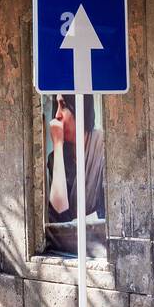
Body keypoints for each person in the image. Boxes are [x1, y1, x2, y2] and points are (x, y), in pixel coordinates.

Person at [47, 94, 106, 225]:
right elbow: (58, 217)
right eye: (56, 106)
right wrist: (57, 146)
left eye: (64, 106)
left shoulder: (104, 148)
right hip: (65, 243)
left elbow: (107, 213)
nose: (57, 115)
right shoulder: (55, 158)